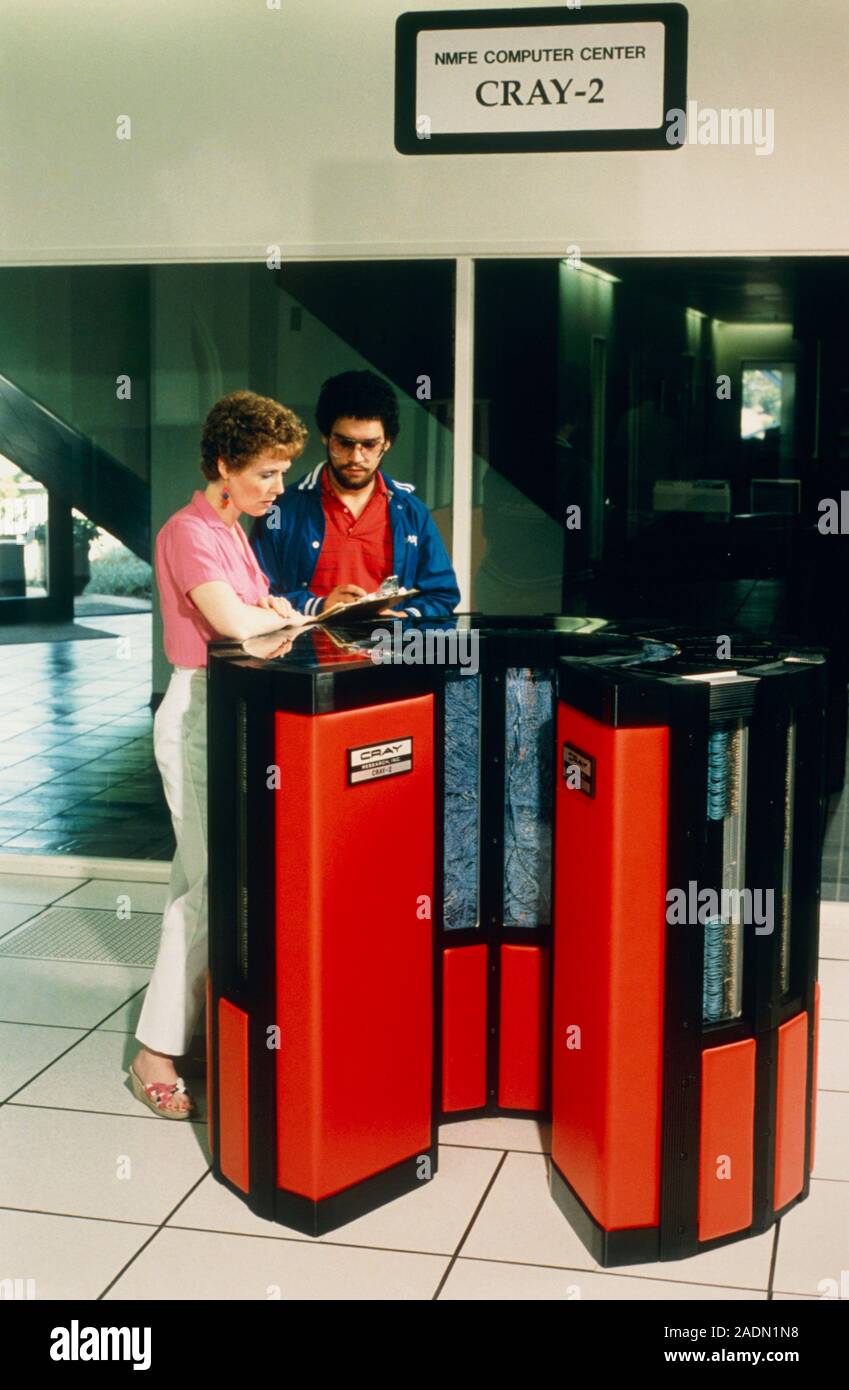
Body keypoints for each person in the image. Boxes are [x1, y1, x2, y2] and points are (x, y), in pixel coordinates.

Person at [128, 390, 308, 1117]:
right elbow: (240, 625)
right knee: (203, 891)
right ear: (225, 466)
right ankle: (155, 1052)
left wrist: (280, 618)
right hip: (198, 711)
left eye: (283, 474)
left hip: (228, 710)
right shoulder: (188, 531)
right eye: (266, 473)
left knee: (204, 880)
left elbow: (266, 616)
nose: (277, 488)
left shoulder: (231, 529)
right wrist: (275, 621)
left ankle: (190, 1028)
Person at [249, 370, 460, 619]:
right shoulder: (280, 509)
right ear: (325, 437)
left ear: (387, 443)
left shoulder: (413, 512)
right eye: (344, 444)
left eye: (370, 445)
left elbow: (442, 594)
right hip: (303, 655)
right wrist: (321, 606)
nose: (356, 457)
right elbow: (258, 594)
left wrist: (404, 617)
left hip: (388, 654)